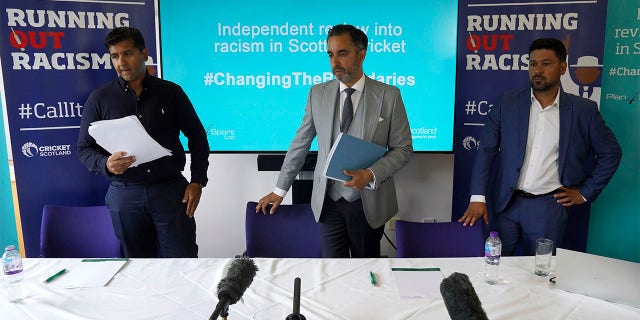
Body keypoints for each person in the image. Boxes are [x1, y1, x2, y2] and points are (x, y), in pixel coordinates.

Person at [255, 24, 413, 258]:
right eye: (330, 54)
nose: (334, 62)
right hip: (327, 201)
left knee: (365, 271)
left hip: (368, 202)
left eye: (342, 53)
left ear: (361, 54)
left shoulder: (388, 95)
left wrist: (370, 173)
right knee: (331, 271)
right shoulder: (317, 93)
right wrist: (280, 190)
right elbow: (301, 143)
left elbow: (403, 149)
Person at [459, 38, 621, 256]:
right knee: (492, 268)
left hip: (548, 208)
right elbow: (486, 150)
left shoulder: (583, 110)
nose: (538, 70)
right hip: (505, 204)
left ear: (563, 67)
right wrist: (478, 198)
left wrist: (584, 193)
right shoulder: (508, 103)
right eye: (533, 64)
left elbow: (611, 153)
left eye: (546, 64)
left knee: (540, 275)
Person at [77, 27, 209, 258]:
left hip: (170, 192)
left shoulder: (171, 93)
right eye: (115, 56)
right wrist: (106, 164)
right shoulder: (100, 99)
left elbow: (197, 137)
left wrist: (198, 181)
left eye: (128, 53)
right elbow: (83, 148)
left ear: (144, 53)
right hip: (125, 194)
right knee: (135, 269)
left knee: (183, 262)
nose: (121, 62)